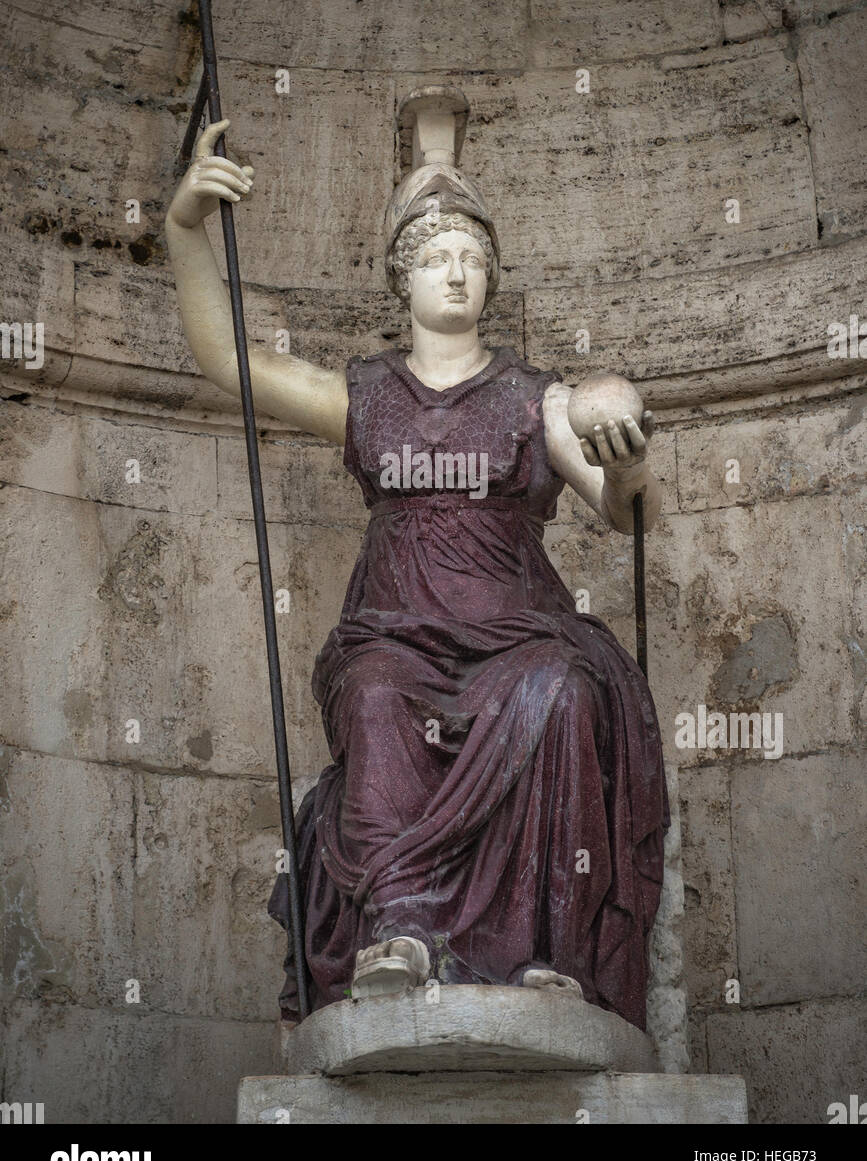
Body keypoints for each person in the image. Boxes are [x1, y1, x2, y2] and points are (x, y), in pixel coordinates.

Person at [165, 94, 668, 1032]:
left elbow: (623, 510)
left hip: (516, 630)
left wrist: (626, 448)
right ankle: (396, 933)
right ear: (402, 277)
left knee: (557, 692)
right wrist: (185, 223)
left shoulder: (531, 397)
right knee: (373, 696)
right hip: (395, 629)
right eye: (437, 257)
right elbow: (229, 362)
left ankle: (549, 959)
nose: (456, 275)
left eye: (473, 259)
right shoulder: (364, 395)